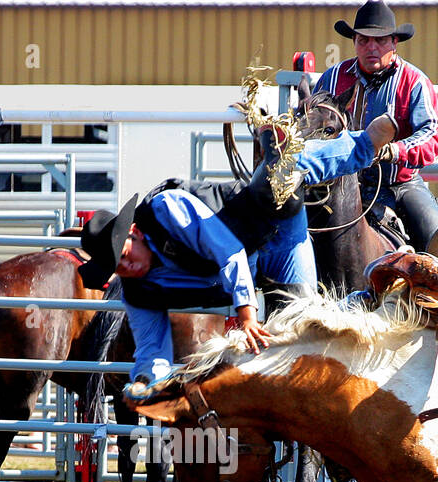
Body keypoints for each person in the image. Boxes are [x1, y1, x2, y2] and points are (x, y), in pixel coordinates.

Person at [79, 115, 398, 399]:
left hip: (271, 228)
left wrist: (247, 316)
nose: (128, 268)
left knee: (280, 181)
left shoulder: (166, 208)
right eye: (118, 269)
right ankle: (362, 300)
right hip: (256, 263)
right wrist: (146, 382)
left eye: (124, 256)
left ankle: (360, 145)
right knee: (306, 322)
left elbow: (228, 253)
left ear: (135, 231)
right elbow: (152, 348)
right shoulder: (139, 290)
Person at [313, 0, 438, 250]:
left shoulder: (414, 82)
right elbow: (313, 124)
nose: (371, 47)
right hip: (338, 184)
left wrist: (393, 151)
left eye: (380, 40)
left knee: (437, 240)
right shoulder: (331, 79)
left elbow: (432, 135)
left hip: (399, 186)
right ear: (354, 42)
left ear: (394, 42)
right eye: (363, 40)